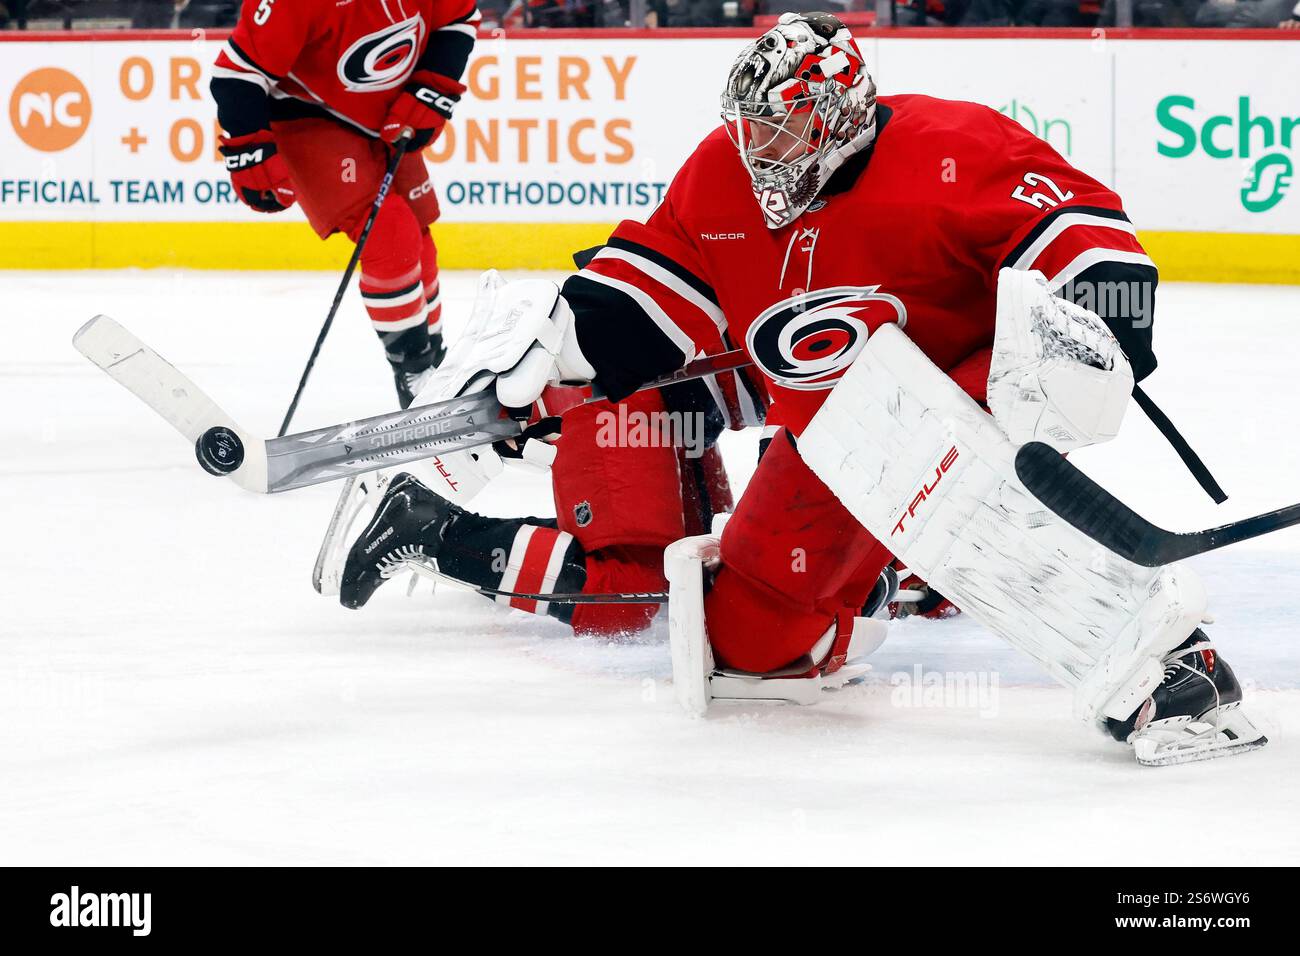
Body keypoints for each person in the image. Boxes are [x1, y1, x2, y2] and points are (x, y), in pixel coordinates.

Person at [331, 13, 1265, 764]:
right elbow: (649, 297)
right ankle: (887, 573)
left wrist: (1102, 329)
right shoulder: (721, 181)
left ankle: (1162, 668)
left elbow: (1082, 231)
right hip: (823, 432)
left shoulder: (950, 143)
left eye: (779, 127)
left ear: (837, 111)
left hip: (961, 394)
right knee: (740, 647)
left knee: (943, 479)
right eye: (751, 127)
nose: (758, 149)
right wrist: (548, 370)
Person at [209, 0, 480, 407]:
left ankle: (435, 369)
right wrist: (249, 151)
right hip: (308, 115)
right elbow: (236, 74)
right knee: (389, 234)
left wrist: (433, 86)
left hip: (386, 111)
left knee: (420, 241)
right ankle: (413, 370)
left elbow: (459, 19)